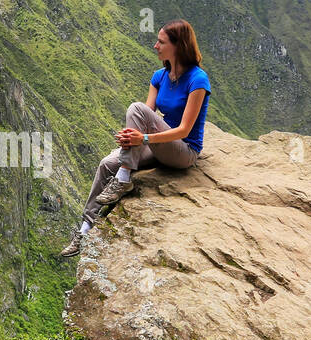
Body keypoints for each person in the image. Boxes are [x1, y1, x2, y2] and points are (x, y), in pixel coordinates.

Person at [60, 19, 211, 256]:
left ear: (178, 46)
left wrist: (144, 140)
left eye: (161, 42)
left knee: (136, 108)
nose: (155, 46)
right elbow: (145, 118)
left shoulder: (198, 80)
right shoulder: (159, 77)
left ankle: (123, 177)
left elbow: (183, 130)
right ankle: (85, 229)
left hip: (183, 151)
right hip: (161, 145)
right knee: (106, 164)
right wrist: (131, 138)